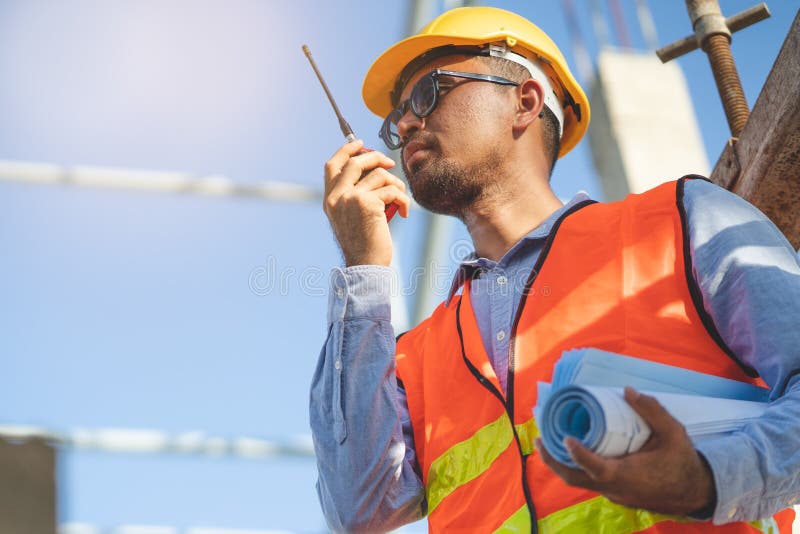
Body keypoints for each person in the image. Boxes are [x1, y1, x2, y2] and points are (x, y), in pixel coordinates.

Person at [310, 6, 800, 533]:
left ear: (524, 101)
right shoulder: (419, 354)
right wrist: (364, 268)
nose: (406, 124)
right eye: (396, 120)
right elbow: (359, 509)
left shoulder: (681, 223)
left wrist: (708, 479)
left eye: (429, 93)